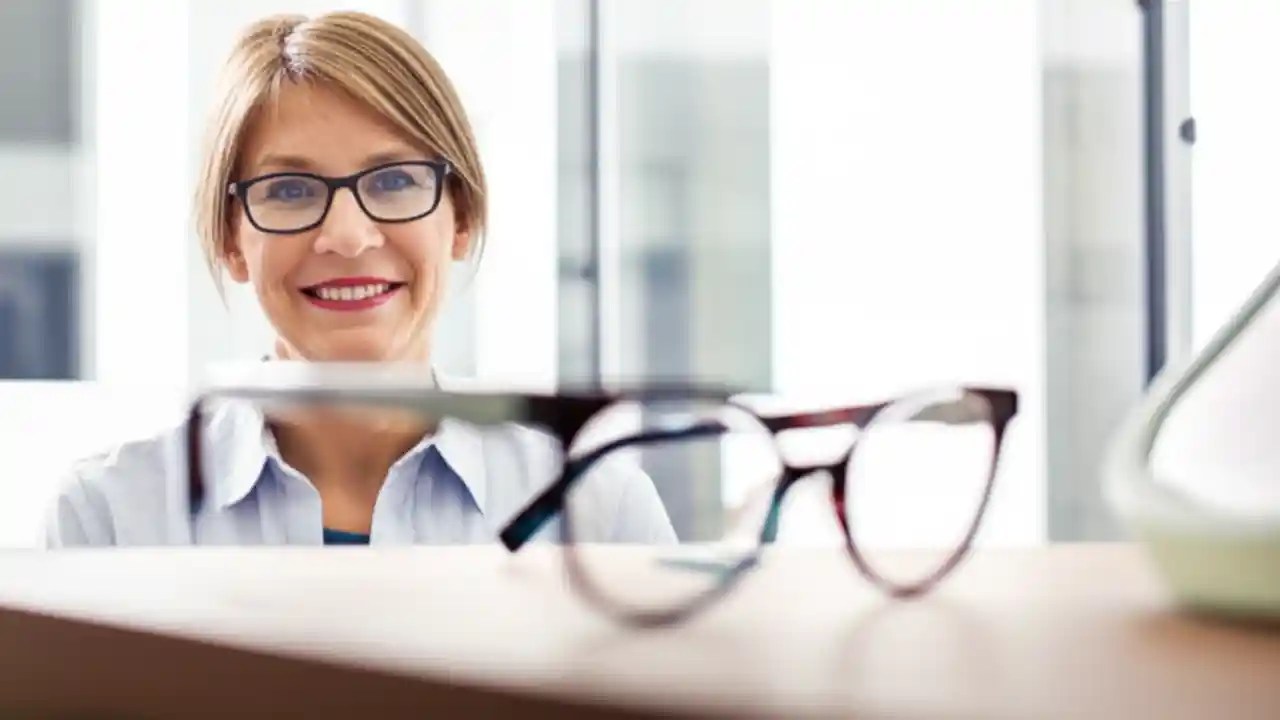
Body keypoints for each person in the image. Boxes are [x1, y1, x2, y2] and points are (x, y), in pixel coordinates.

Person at [42, 11, 675, 547]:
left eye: (395, 181)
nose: (347, 236)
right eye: (290, 189)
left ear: (461, 219)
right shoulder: (109, 519)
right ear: (232, 241)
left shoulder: (598, 510)